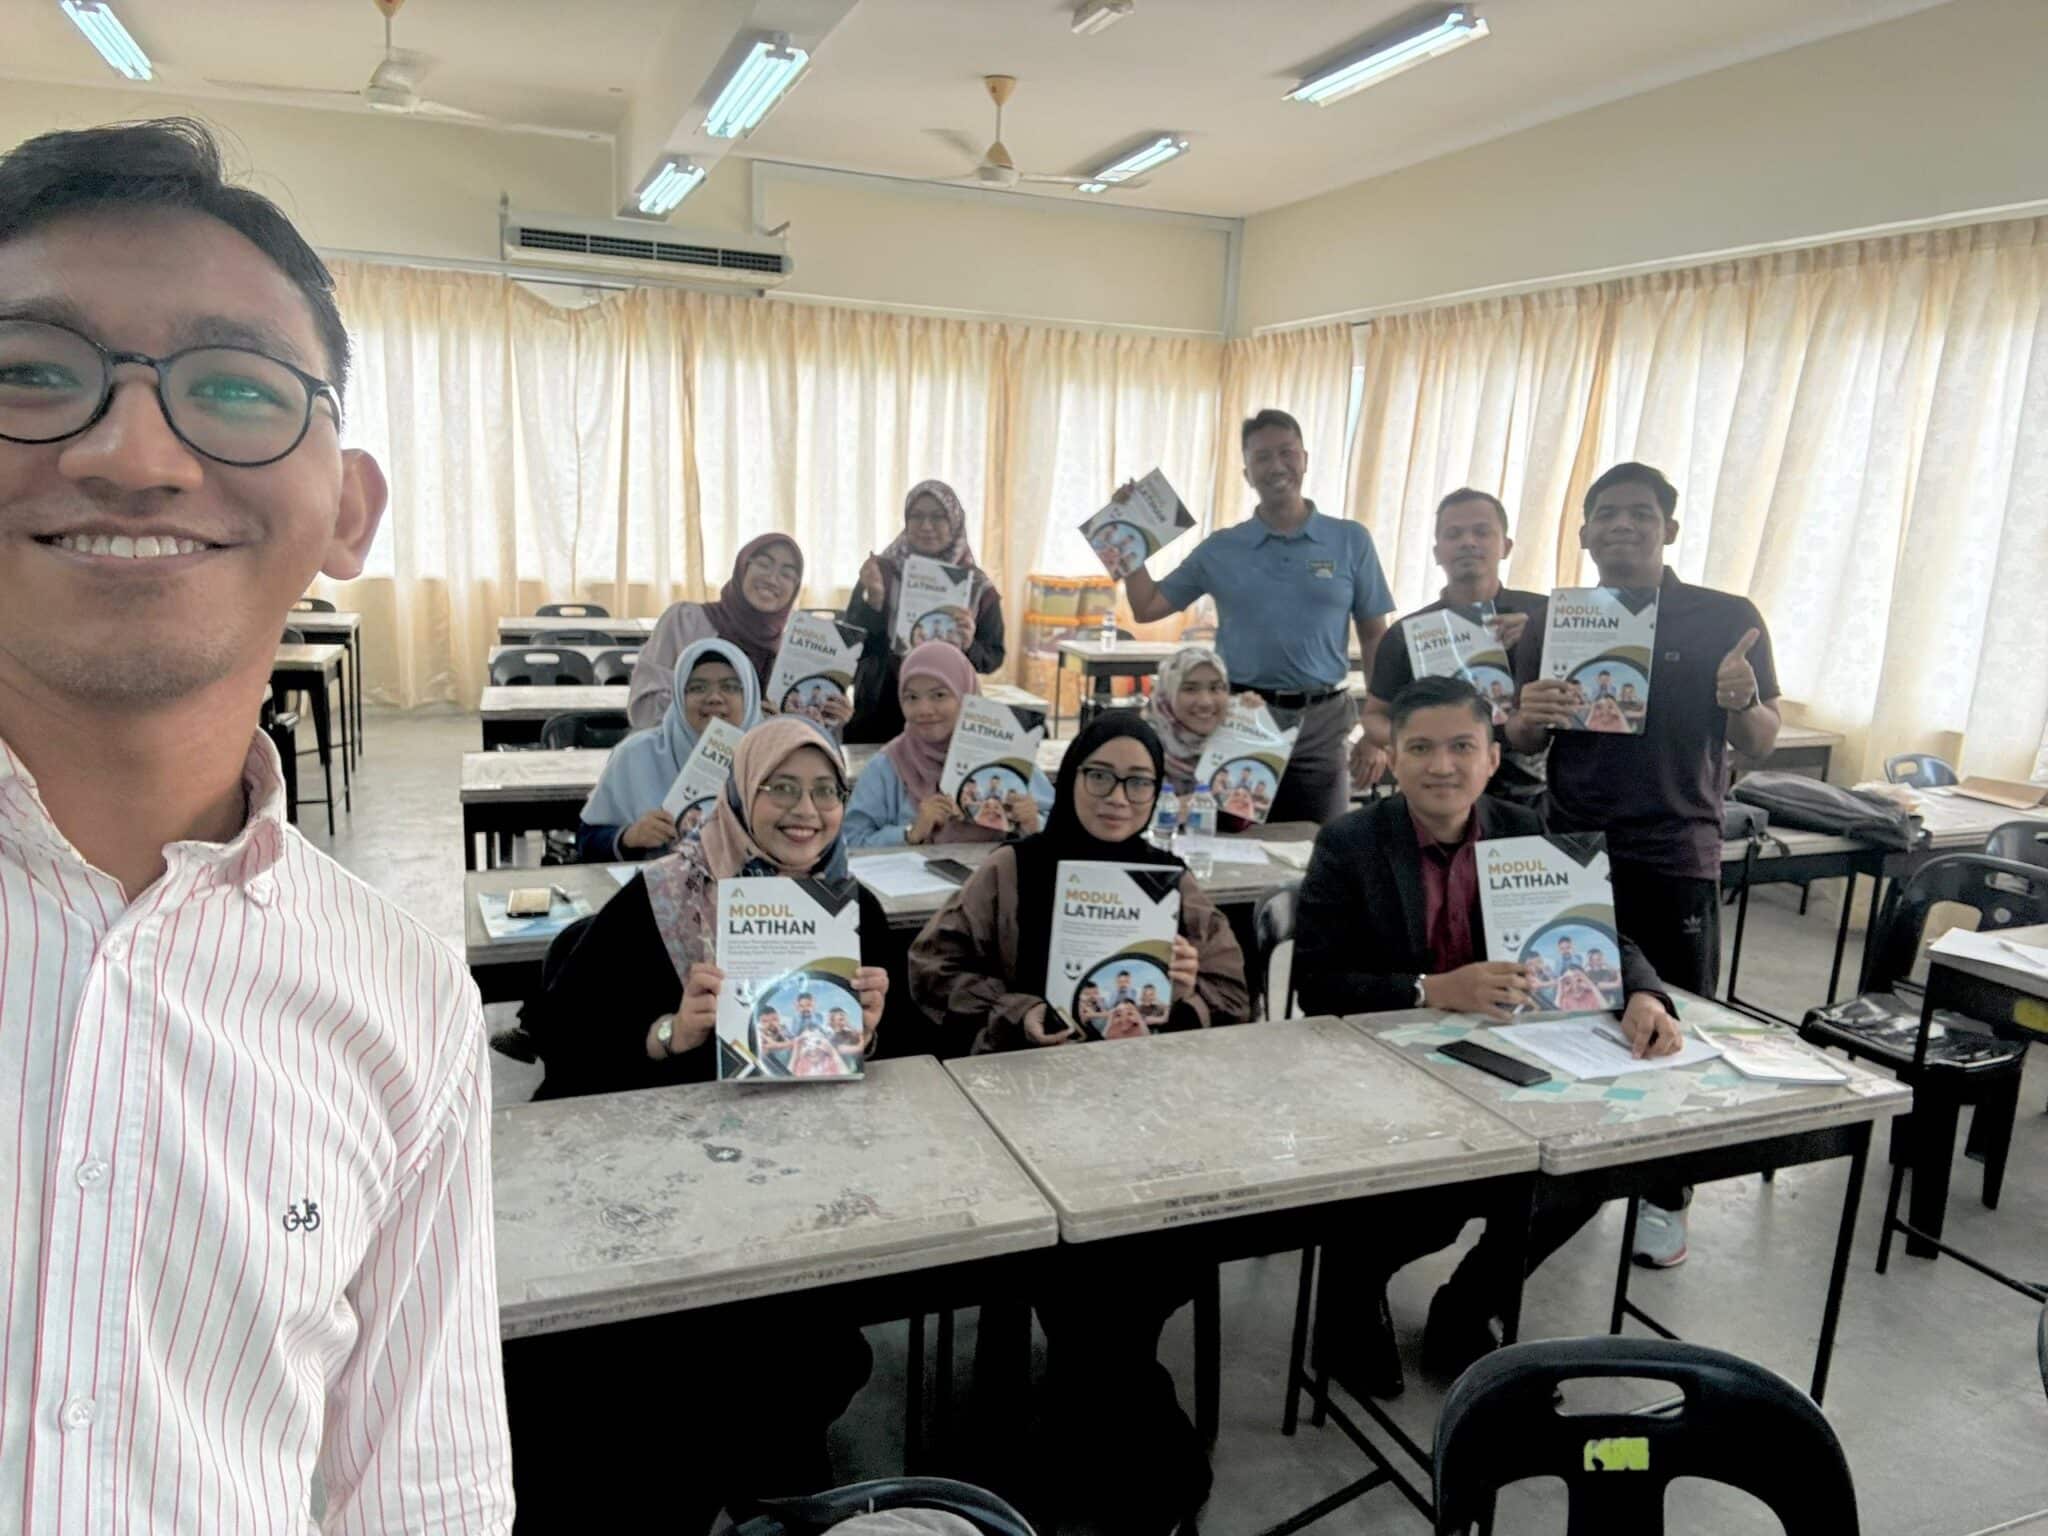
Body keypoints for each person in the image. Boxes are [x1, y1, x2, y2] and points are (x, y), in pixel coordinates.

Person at [0, 119, 512, 1526]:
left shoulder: (400, 996)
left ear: (348, 512)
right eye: (31, 375)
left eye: (232, 389)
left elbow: (421, 1491)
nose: (132, 454)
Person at [516, 718, 899, 1529]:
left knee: (804, 1355)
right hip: (651, 1195)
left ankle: (764, 1490)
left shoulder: (853, 908)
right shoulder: (660, 897)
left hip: (793, 1195)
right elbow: (560, 1036)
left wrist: (870, 1034)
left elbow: (902, 1069)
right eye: (781, 788)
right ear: (737, 794)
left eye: (826, 790)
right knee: (677, 1370)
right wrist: (669, 1034)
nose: (808, 811)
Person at [1295, 677, 1680, 1400]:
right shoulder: (1349, 843)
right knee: (1436, 1204)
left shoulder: (1527, 831)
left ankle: (1465, 1307)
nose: (1442, 766)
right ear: (1394, 758)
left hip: (1511, 1054)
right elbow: (1317, 984)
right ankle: (1349, 1298)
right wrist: (1430, 988)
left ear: (1493, 758)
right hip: (1388, 1066)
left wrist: (1647, 993)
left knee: (1579, 1176)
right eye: (1421, 749)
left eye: (1461, 747)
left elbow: (1609, 935)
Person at [908, 713, 1247, 1527]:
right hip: (1021, 1116)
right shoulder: (1012, 870)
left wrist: (1185, 998)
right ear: (1069, 783)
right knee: (1085, 1285)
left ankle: (1082, 1416)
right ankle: (1138, 1444)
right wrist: (1020, 1012)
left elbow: (1238, 1001)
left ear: (1157, 794)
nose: (1117, 796)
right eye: (1099, 775)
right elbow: (931, 966)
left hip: (1145, 1127)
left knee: (1136, 1273)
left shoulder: (1172, 885)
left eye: (1138, 781)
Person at [1508, 461, 1780, 1265]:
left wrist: (1741, 701)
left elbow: (1759, 745)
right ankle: (1570, 1165)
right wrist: (1531, 714)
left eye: (1640, 514)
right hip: (1571, 849)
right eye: (1606, 515)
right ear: (1585, 531)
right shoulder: (1561, 616)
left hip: (1673, 849)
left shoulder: (1725, 618)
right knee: (1566, 1012)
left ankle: (1666, 1197)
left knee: (1676, 1023)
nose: (1622, 527)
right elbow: (1523, 740)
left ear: (1671, 528)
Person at [1121, 409, 1395, 825]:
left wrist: (1377, 731)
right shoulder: (1222, 548)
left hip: (1323, 723)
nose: (1277, 466)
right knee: (1232, 842)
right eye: (1262, 457)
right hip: (1239, 716)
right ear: (1247, 472)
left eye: (1287, 453)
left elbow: (1376, 637)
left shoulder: (1350, 540)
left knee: (1319, 849)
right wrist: (1126, 532)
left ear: (1305, 458)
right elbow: (1148, 607)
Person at [1356, 488, 1546, 803]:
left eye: (1482, 532)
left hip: (1533, 796)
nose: (1468, 542)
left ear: (1506, 546)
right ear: (1437, 552)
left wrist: (1540, 634)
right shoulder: (1407, 634)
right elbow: (1374, 716)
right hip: (1439, 791)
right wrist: (1421, 743)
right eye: (1453, 534)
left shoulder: (1544, 615)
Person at [844, 642, 1054, 847]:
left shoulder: (1005, 756)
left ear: (966, 695)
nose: (924, 709)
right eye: (912, 697)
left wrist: (1033, 823)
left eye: (939, 695)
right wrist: (911, 833)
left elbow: (1064, 830)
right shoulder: (889, 766)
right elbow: (850, 841)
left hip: (998, 878)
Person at [843, 480, 1006, 743]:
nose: (926, 526)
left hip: (946, 714)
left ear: (954, 522)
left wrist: (968, 645)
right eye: (916, 516)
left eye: (937, 517)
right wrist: (872, 602)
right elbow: (852, 645)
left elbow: (993, 657)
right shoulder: (880, 573)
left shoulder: (977, 588)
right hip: (880, 709)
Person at [578, 636, 762, 862]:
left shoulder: (775, 758)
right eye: (697, 688)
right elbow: (586, 843)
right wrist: (630, 837)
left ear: (751, 697)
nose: (714, 698)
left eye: (731, 687)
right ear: (677, 696)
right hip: (657, 891)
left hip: (753, 894)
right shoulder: (635, 755)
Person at [629, 533, 827, 727]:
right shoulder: (685, 622)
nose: (772, 579)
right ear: (743, 568)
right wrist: (741, 717)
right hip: (679, 756)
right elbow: (644, 709)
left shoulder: (792, 653)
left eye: (787, 574)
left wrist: (828, 720)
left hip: (760, 758)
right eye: (764, 564)